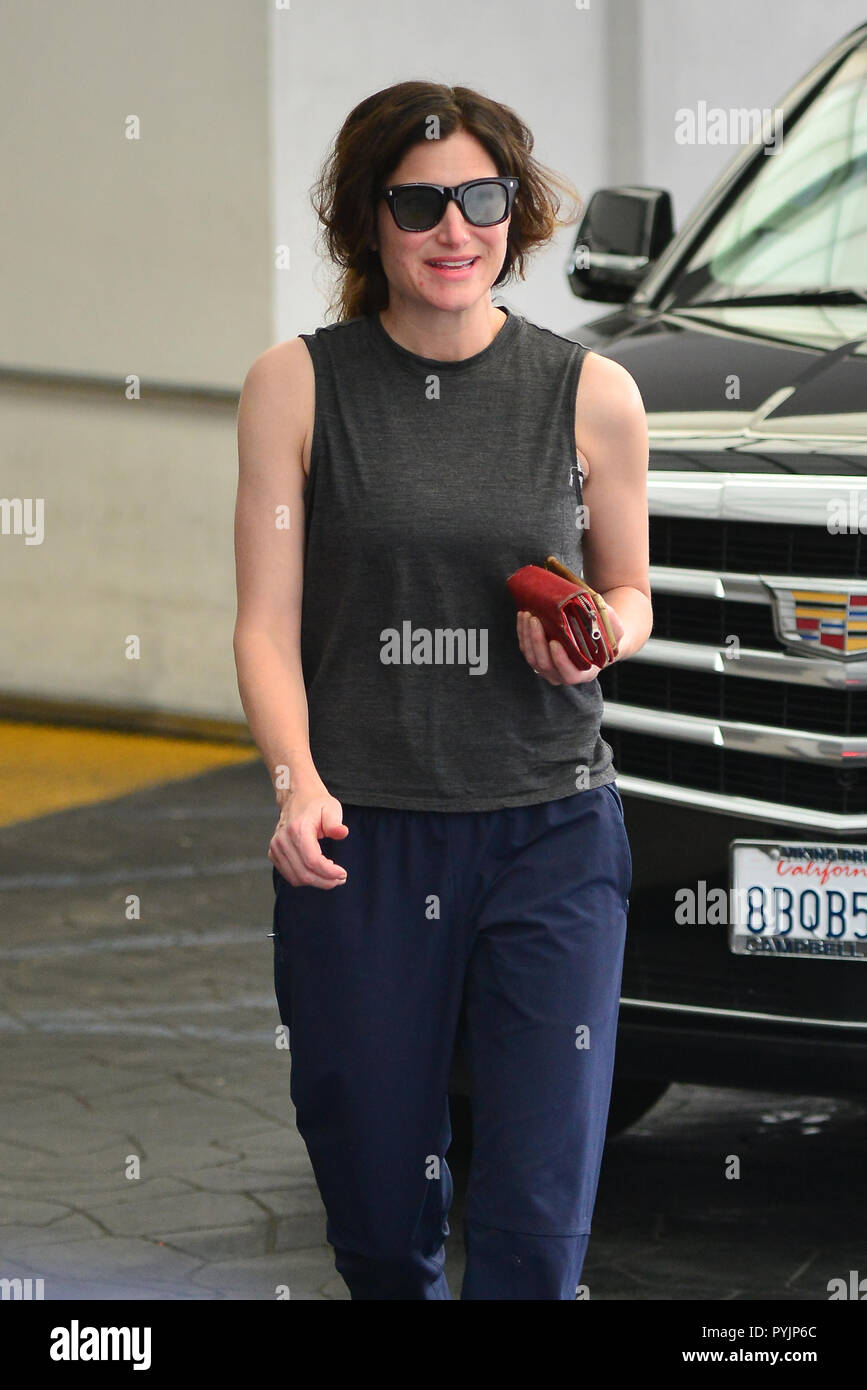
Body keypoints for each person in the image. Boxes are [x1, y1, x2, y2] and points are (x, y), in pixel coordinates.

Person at [233, 80, 651, 1300]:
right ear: (368, 221)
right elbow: (265, 626)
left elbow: (633, 595)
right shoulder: (296, 387)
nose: (453, 229)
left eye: (482, 198)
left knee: (533, 1220)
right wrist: (295, 782)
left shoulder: (593, 394)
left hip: (553, 828)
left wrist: (598, 635)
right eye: (420, 204)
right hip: (362, 837)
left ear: (515, 214)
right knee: (373, 1207)